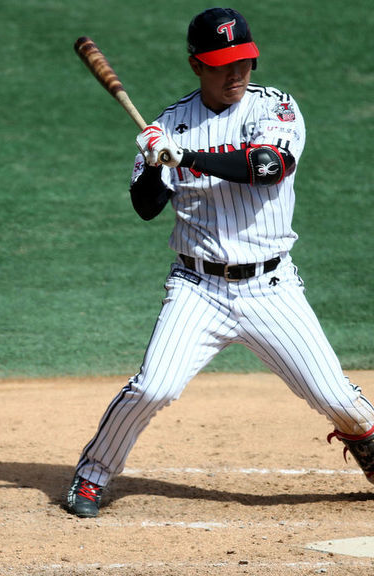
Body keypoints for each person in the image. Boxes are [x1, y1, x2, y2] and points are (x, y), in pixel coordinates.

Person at [66, 7, 374, 518]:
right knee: (153, 386)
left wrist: (184, 157)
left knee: (332, 393)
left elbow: (269, 166)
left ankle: (368, 442)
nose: (236, 74)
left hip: (271, 288)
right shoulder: (168, 125)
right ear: (196, 66)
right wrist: (151, 162)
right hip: (197, 288)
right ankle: (94, 472)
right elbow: (146, 208)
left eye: (244, 62)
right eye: (221, 65)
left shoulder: (275, 107)